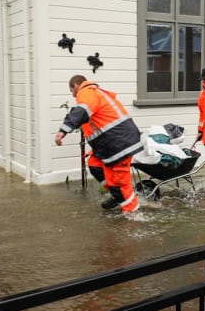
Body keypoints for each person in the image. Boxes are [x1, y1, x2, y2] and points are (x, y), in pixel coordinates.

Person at [55, 75, 143, 213]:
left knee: (119, 184)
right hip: (113, 144)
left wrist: (63, 131)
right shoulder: (95, 93)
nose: (72, 95)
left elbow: (82, 111)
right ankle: (117, 196)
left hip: (119, 145)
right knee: (94, 165)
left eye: (71, 90)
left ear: (77, 86)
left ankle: (133, 217)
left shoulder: (87, 92)